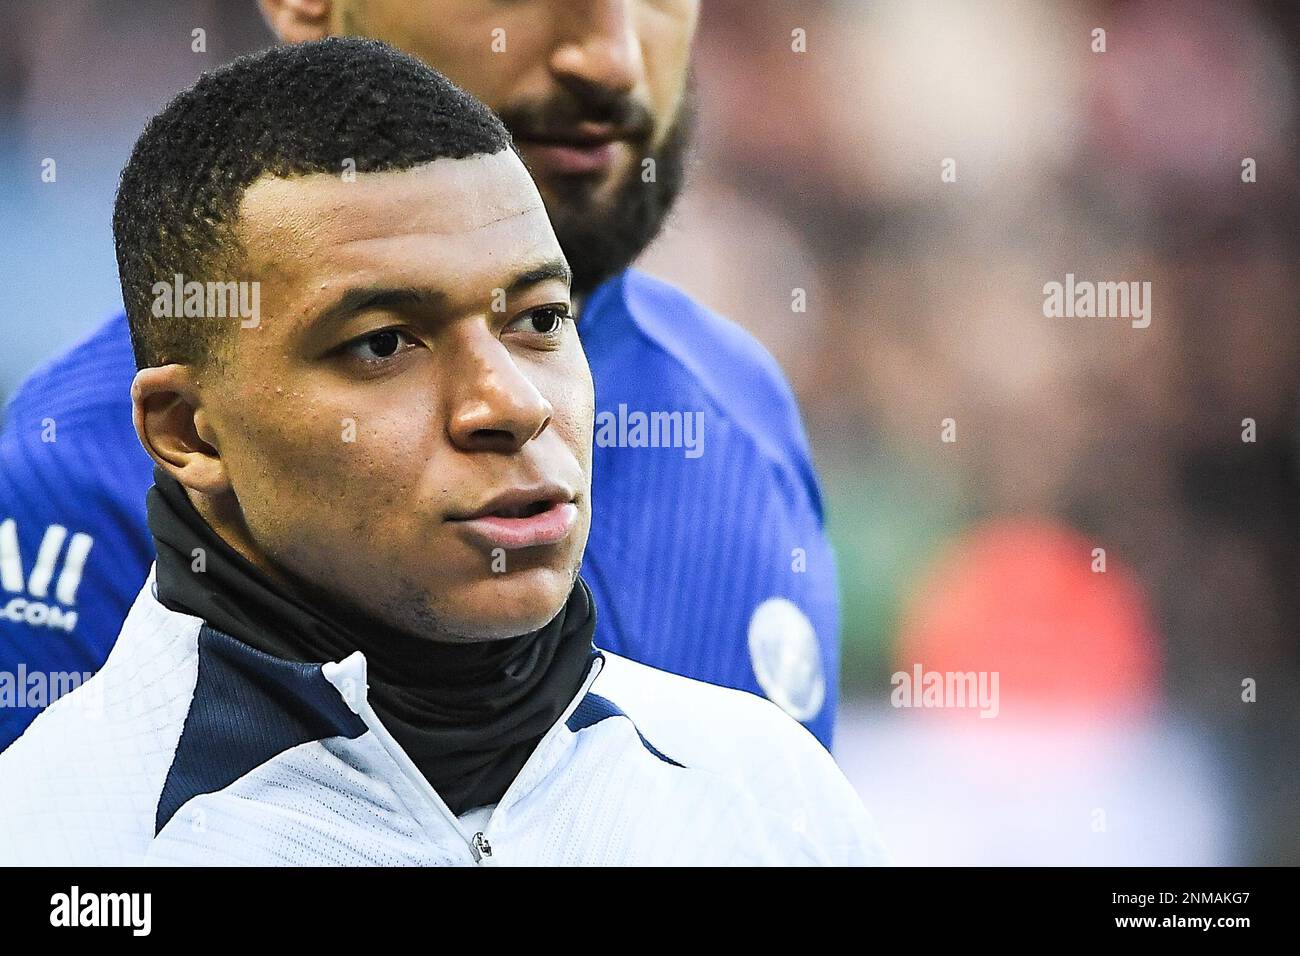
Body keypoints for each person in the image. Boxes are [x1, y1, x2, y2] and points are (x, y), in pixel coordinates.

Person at [0, 39, 880, 866]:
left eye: (538, 321)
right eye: (384, 344)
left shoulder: (772, 797)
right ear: (188, 431)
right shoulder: (64, 839)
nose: (512, 404)